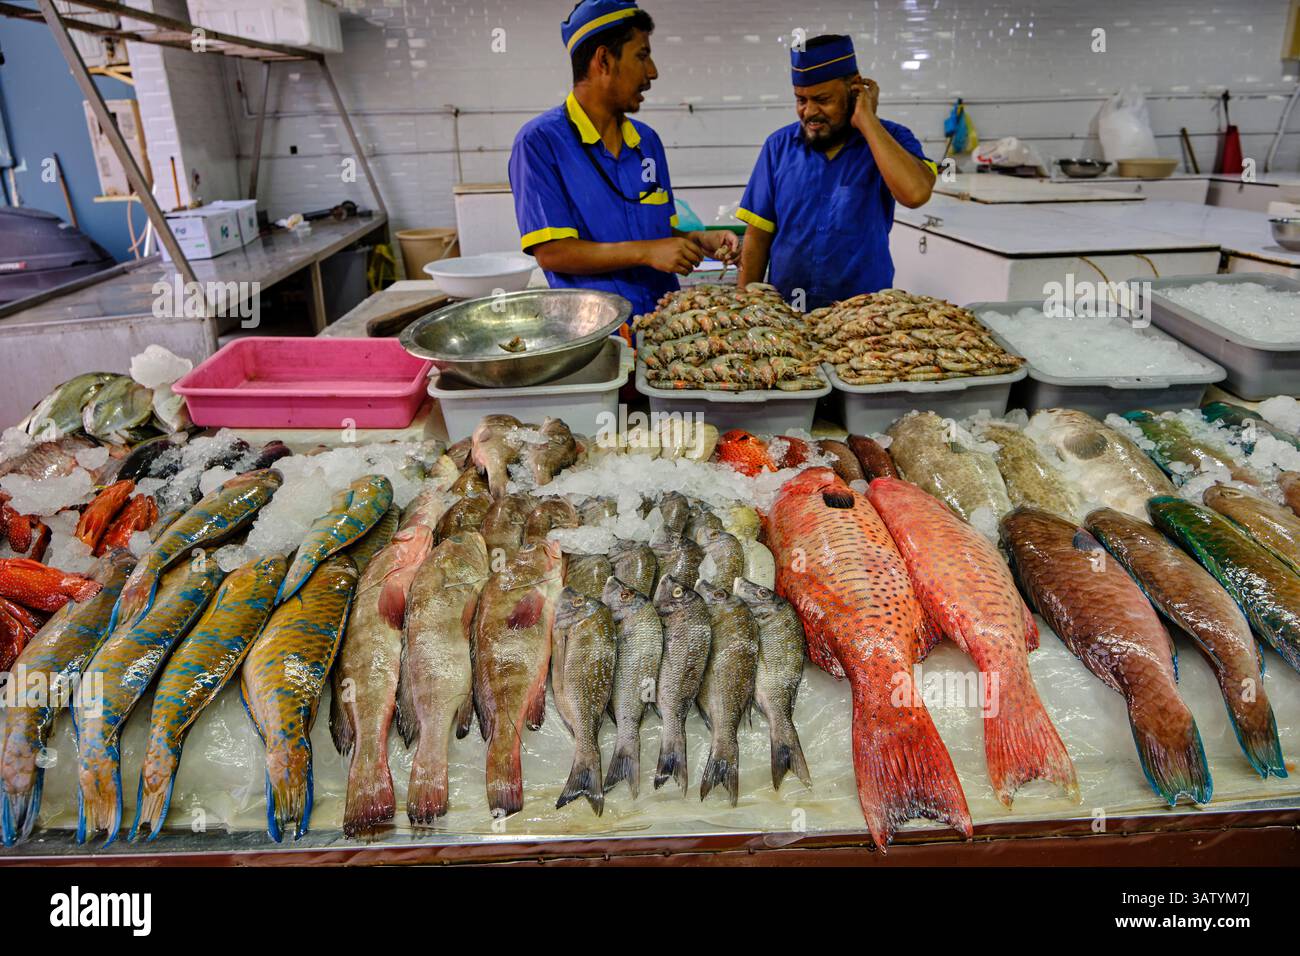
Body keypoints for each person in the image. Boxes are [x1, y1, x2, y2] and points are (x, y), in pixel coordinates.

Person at [508, 0, 739, 320]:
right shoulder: (540, 142)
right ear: (603, 60)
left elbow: (658, 235)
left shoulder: (647, 143)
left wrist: (699, 241)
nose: (653, 72)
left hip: (661, 325)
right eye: (642, 56)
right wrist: (648, 252)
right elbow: (552, 252)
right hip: (596, 333)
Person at [736, 34, 937, 311]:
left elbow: (915, 194)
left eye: (823, 100)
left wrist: (867, 121)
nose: (810, 112)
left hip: (863, 321)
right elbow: (757, 238)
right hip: (787, 314)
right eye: (801, 100)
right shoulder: (778, 147)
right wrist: (746, 308)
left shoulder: (891, 139)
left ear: (855, 89)